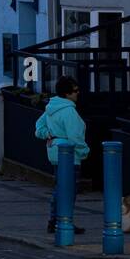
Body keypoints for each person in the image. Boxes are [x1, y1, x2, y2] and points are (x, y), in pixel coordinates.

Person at [35, 76, 89, 235]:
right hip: (69, 155)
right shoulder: (69, 111)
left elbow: (38, 128)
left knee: (59, 188)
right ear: (67, 94)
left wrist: (50, 135)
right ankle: (65, 221)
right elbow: (75, 137)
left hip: (55, 153)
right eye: (75, 91)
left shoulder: (51, 107)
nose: (78, 94)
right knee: (69, 190)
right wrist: (85, 152)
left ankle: (54, 221)